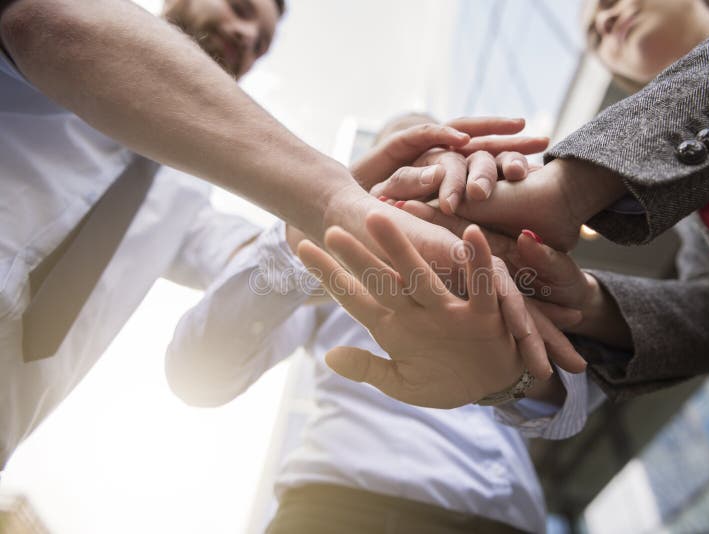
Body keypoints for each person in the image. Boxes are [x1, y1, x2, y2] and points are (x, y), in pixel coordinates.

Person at [0, 0, 554, 468]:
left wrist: (317, 236)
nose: (246, 37)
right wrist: (331, 200)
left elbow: (239, 299)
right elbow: (42, 22)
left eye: (261, 43)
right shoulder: (56, 39)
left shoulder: (184, 204)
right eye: (240, 8)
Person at [164, 119, 599, 534]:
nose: (422, 178)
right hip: (339, 510)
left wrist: (514, 375)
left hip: (505, 521)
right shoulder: (326, 267)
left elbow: (572, 404)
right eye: (405, 166)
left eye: (442, 160)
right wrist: (302, 232)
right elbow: (200, 375)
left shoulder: (509, 261)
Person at [366, 0, 709, 399]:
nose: (606, 20)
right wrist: (584, 302)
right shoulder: (696, 206)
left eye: (612, 1)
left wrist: (567, 190)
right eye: (594, 36)